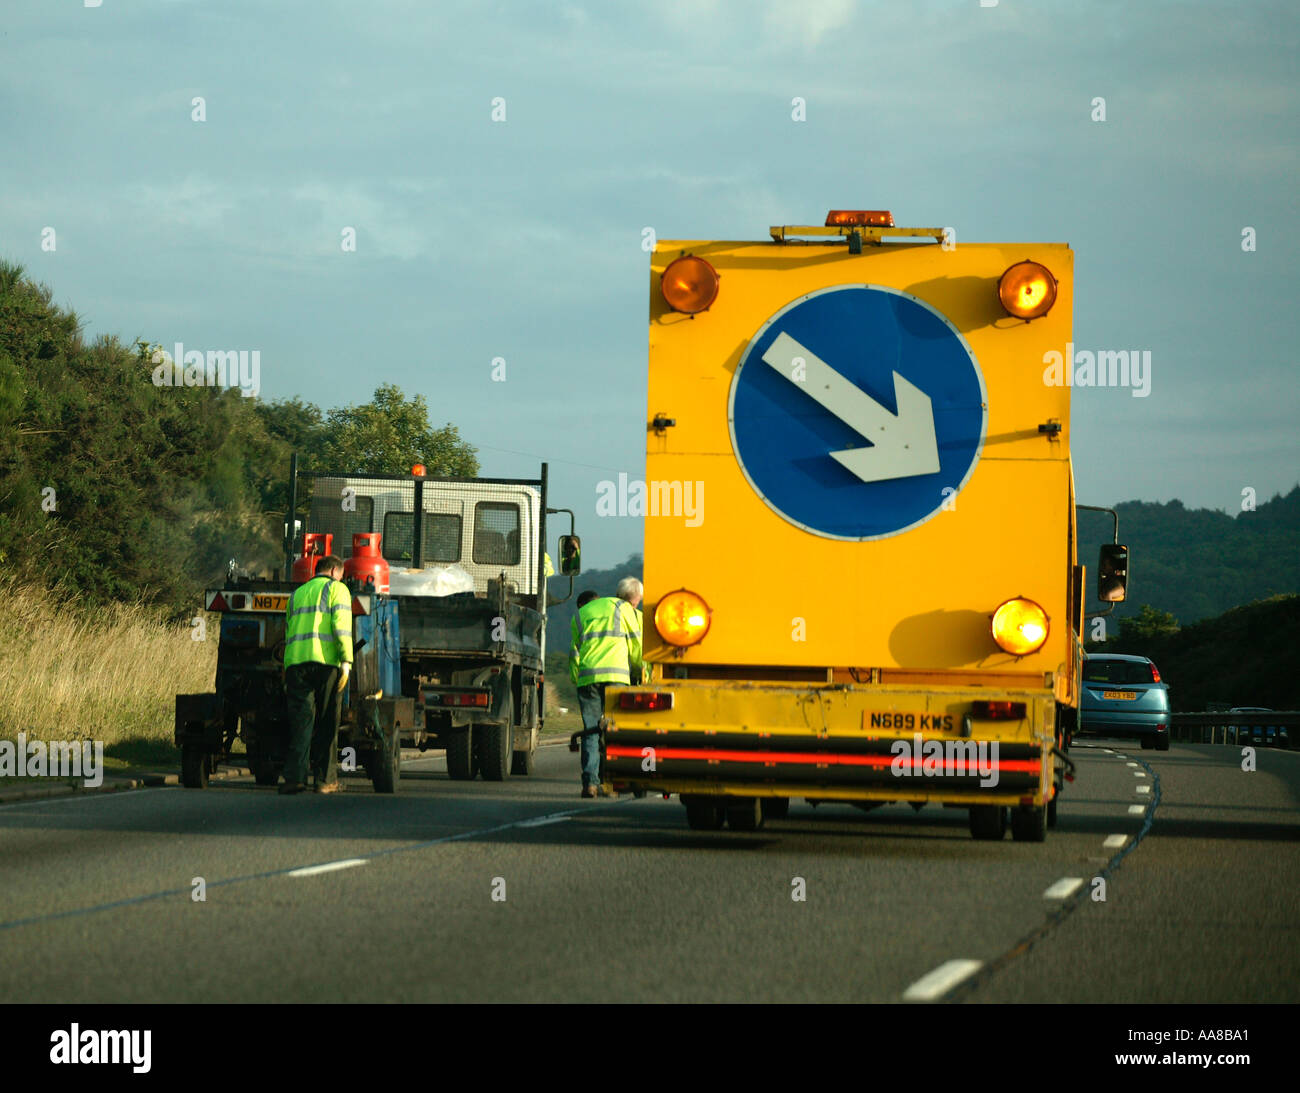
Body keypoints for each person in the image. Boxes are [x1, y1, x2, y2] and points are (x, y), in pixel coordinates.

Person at [281, 554, 353, 794]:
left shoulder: (297, 594)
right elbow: (340, 625)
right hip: (326, 664)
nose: (341, 579)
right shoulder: (337, 589)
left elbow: (289, 630)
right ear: (334, 572)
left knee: (301, 723)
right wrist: (346, 660)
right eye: (340, 575)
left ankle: (295, 779)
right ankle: (325, 780)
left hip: (296, 664)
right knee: (327, 722)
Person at [569, 578, 643, 798]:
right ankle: (610, 783)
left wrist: (577, 678)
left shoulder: (580, 613)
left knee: (591, 731)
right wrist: (640, 671)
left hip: (588, 677)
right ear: (633, 598)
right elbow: (636, 645)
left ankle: (590, 784)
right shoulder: (624, 609)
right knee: (614, 731)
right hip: (616, 676)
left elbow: (577, 648)